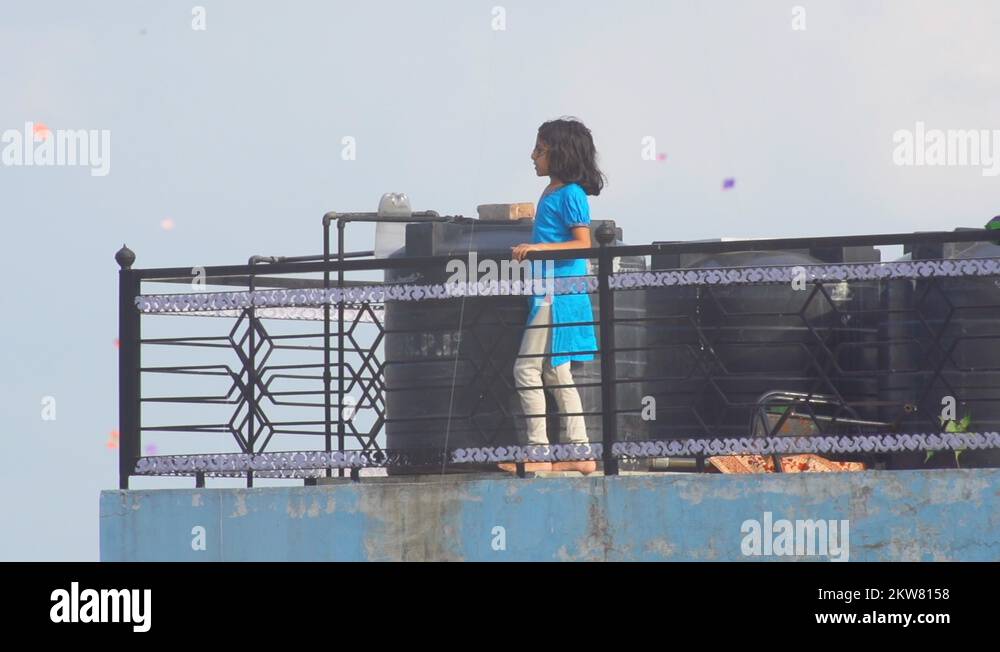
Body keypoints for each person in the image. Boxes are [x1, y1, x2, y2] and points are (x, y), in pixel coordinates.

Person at [498, 117, 606, 475]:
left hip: (557, 293)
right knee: (556, 371)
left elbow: (582, 243)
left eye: (540, 150)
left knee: (526, 369)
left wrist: (536, 249)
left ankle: (539, 452)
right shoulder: (552, 192)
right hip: (546, 291)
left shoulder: (571, 195)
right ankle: (579, 451)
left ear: (558, 154)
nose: (533, 156)